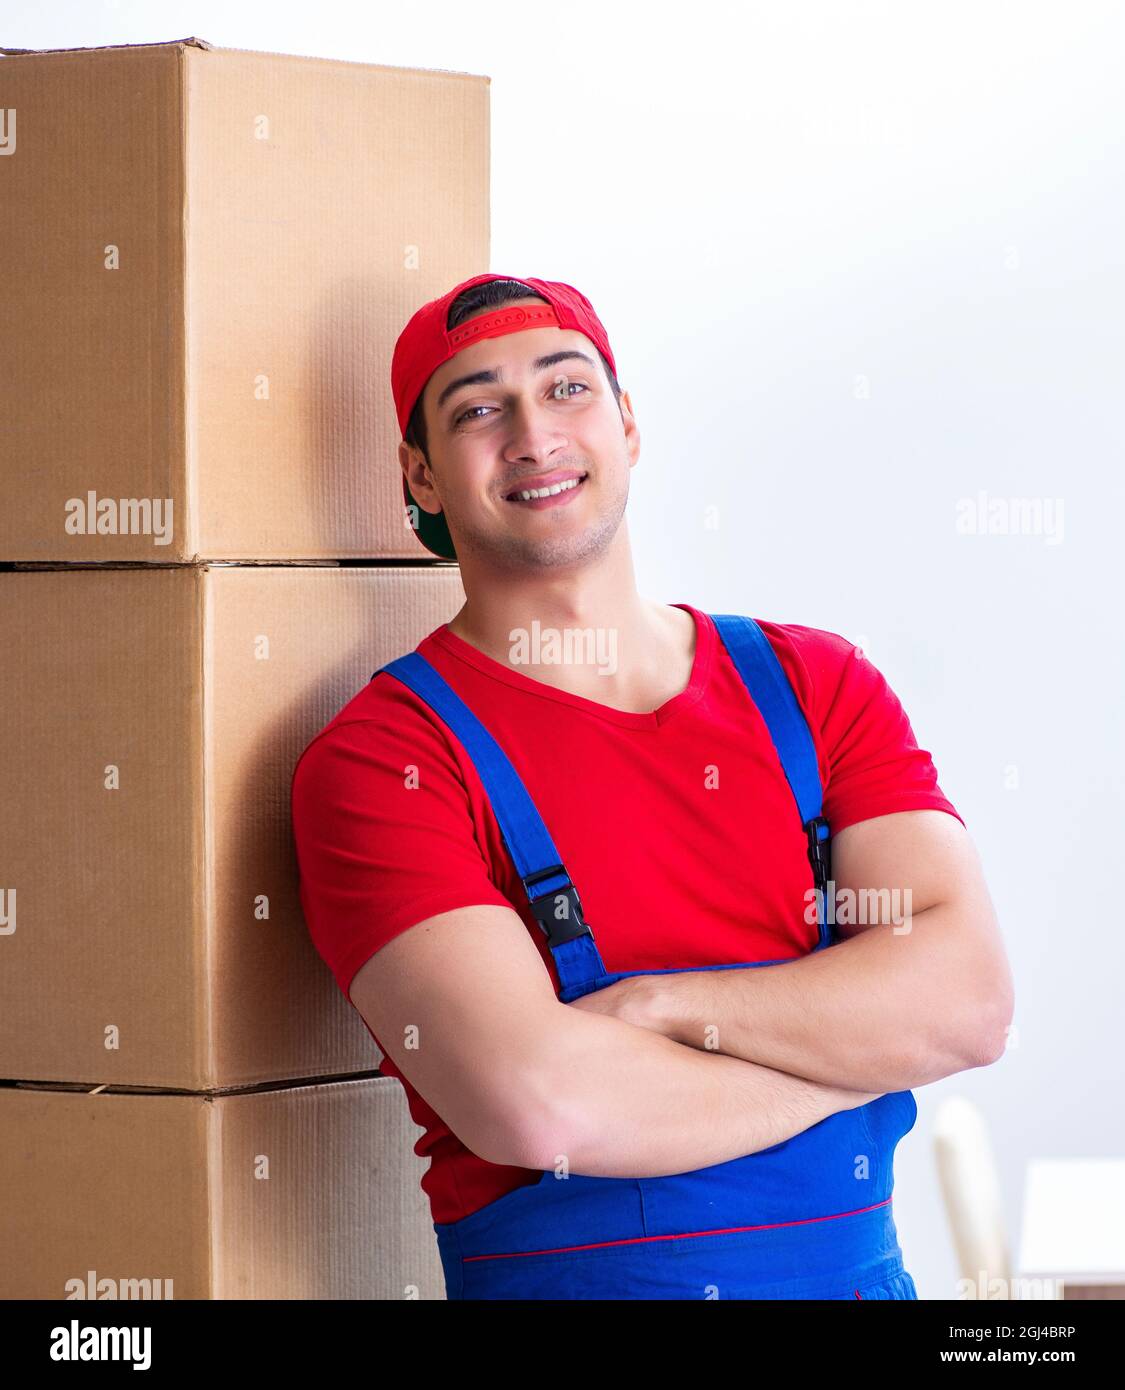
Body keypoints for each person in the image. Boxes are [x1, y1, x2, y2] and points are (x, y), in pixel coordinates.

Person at [290, 272, 1013, 1300]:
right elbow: (537, 1103)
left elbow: (968, 1004)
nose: (534, 436)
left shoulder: (815, 687)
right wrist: (851, 1066)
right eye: (479, 411)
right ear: (423, 478)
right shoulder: (387, 760)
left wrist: (658, 1007)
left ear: (627, 424)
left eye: (566, 388)